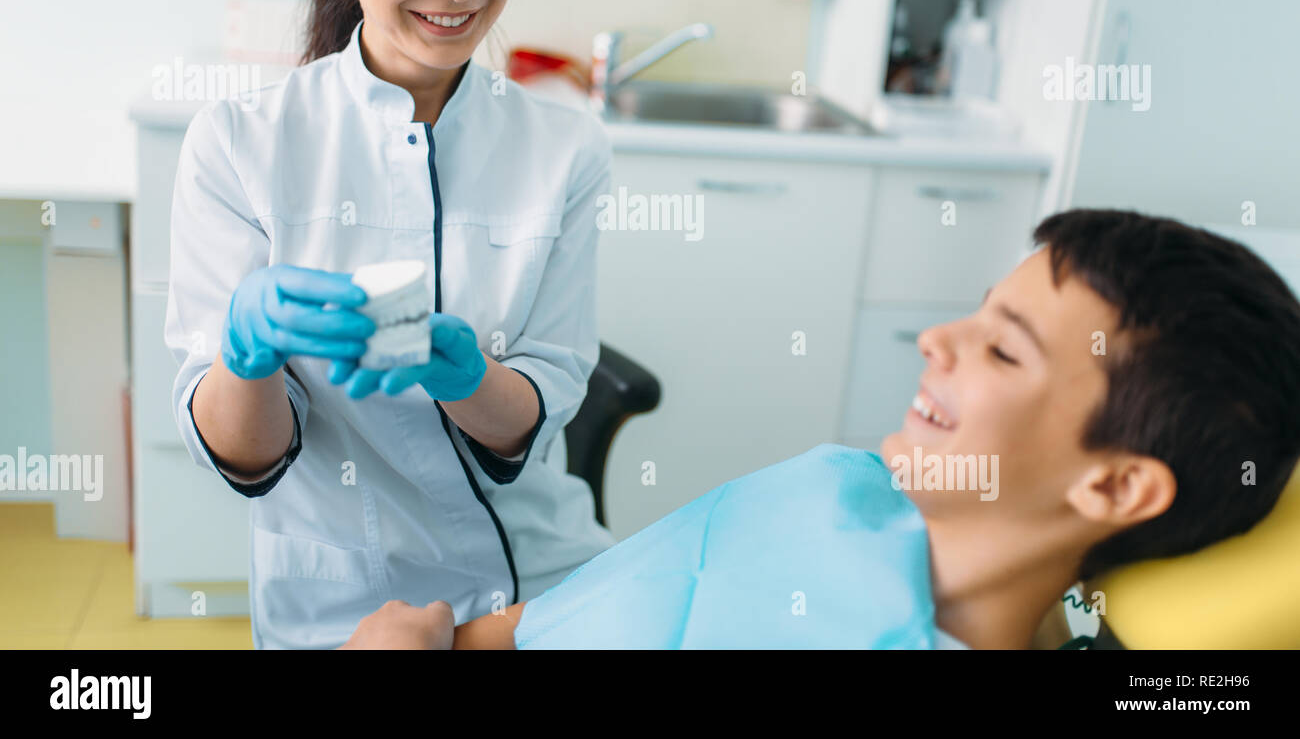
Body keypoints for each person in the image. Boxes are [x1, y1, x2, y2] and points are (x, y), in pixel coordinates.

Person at [338, 209, 1300, 649]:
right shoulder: (841, 481)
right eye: (973, 313)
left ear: (1115, 487)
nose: (933, 341)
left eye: (1003, 353)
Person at [165, 0, 614, 649]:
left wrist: (468, 379)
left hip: (538, 572)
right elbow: (242, 455)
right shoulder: (240, 144)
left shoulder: (565, 149)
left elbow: (538, 405)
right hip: (344, 596)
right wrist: (243, 349)